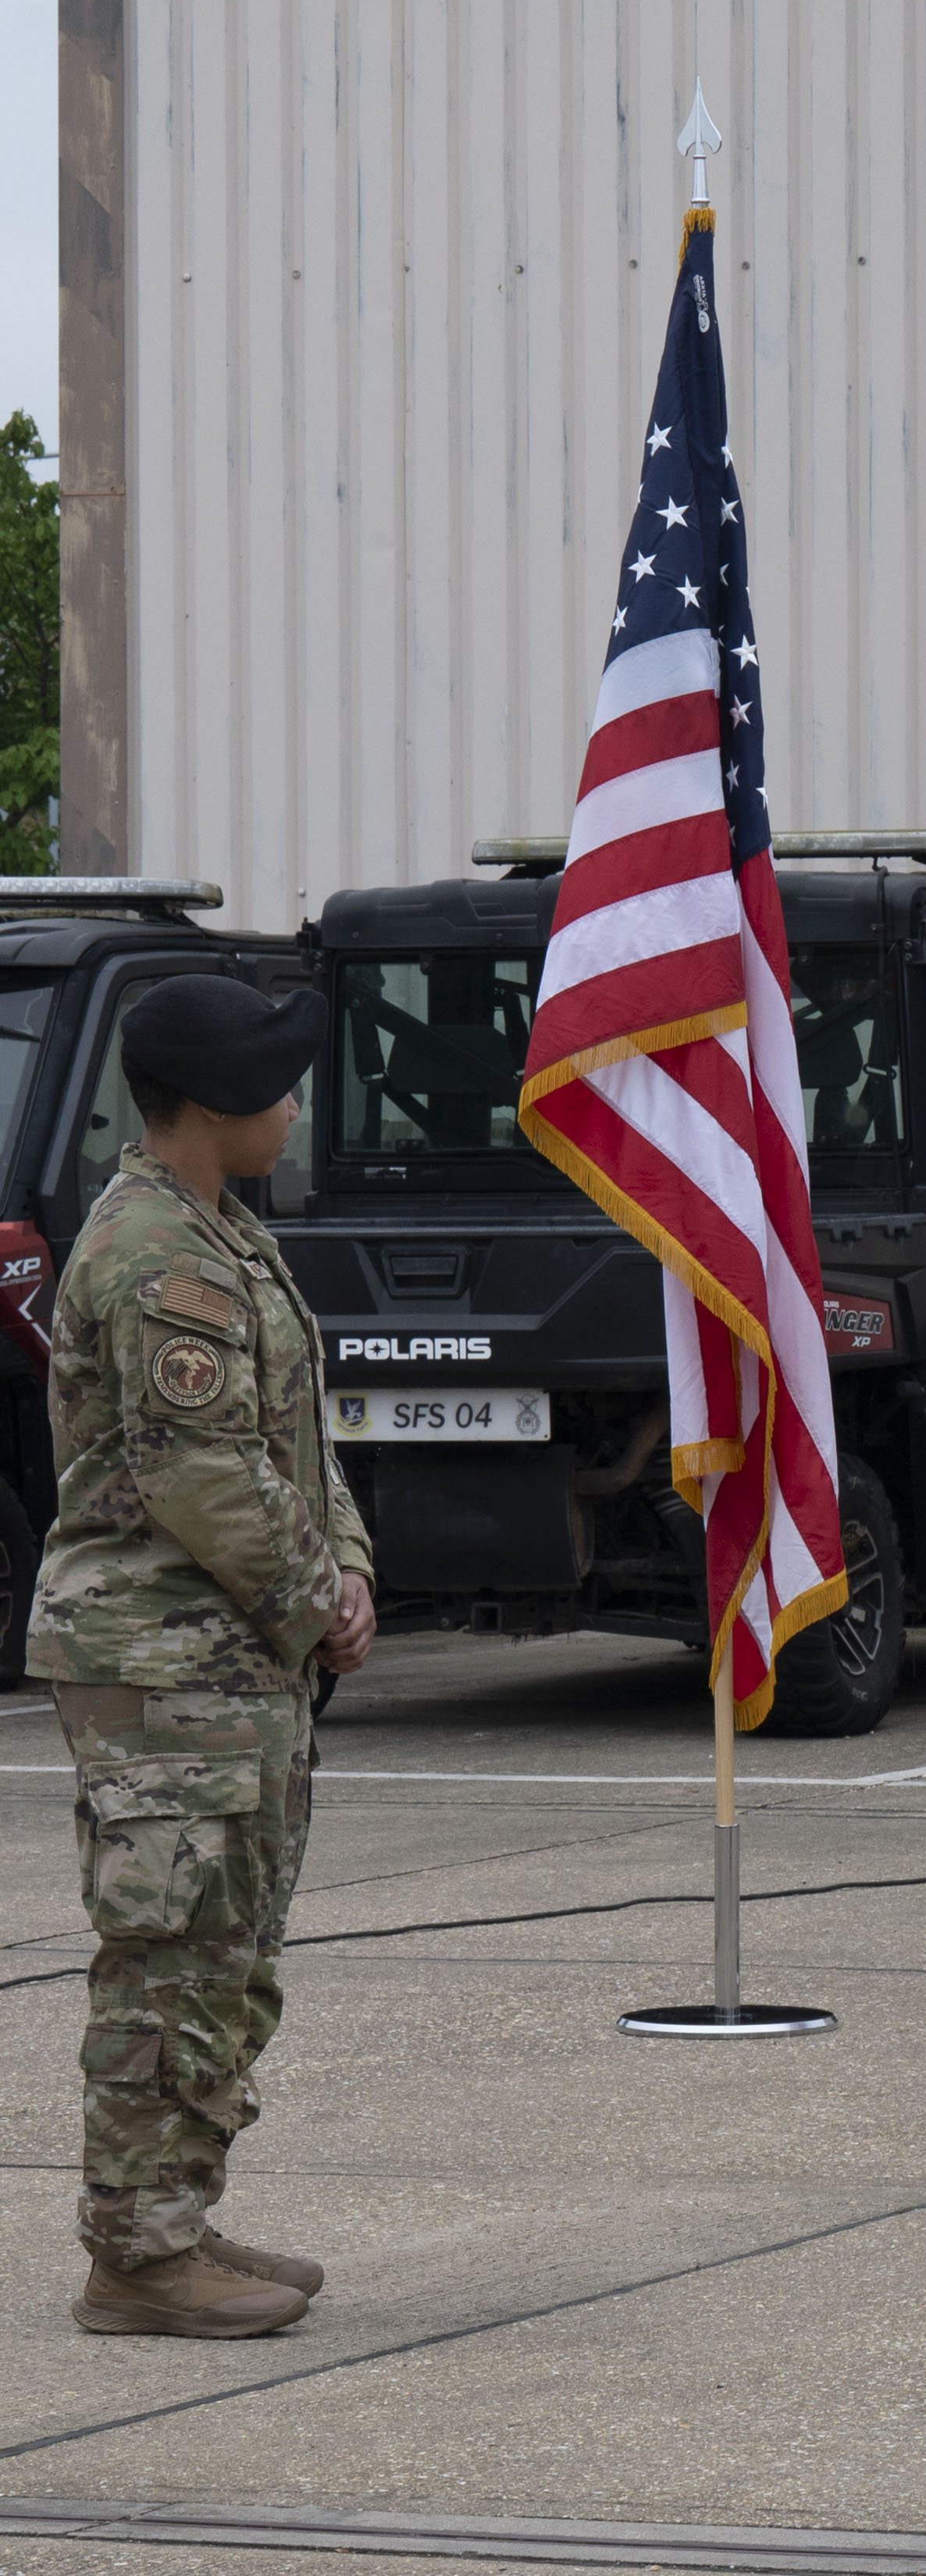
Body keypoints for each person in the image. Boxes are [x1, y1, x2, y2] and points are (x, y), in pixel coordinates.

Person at [36, 975, 375, 2338]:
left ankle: (173, 2211)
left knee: (225, 1951)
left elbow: (300, 1439)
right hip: (167, 1663)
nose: (294, 1108)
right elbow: (201, 1476)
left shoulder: (219, 1233)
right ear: (217, 1104)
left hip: (226, 1659)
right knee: (171, 1953)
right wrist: (318, 1600)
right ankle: (136, 2254)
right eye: (279, 1087)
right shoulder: (158, 1254)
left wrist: (344, 1565)